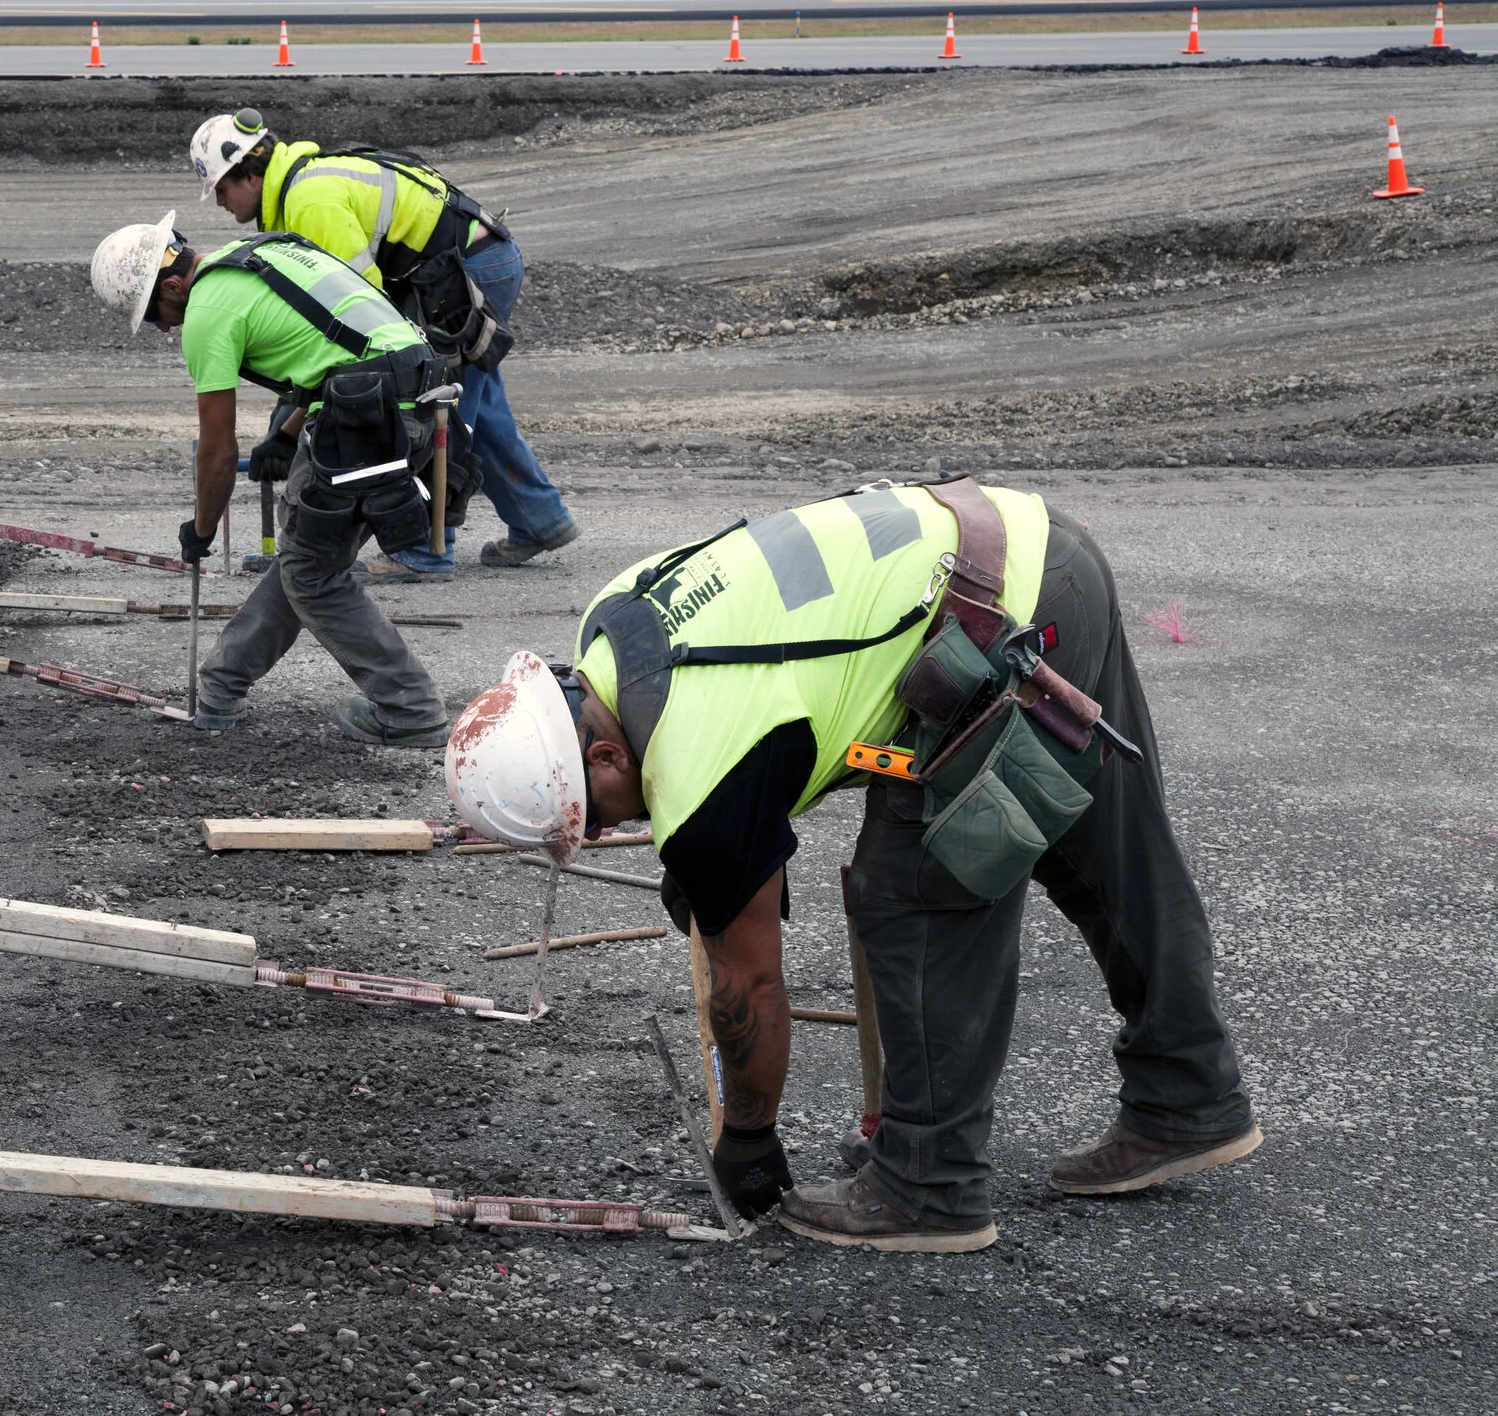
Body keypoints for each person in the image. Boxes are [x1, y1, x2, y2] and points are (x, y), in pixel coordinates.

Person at [443, 476, 1260, 1252]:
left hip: (991, 621)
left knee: (914, 890)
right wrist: (709, 860)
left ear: (607, 755)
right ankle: (1188, 1091)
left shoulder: (695, 760)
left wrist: (749, 1139)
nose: (606, 832)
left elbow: (753, 986)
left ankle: (929, 1184)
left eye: (594, 818)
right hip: (1034, 548)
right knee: (1108, 844)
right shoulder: (611, 623)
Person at [88, 209, 466, 749]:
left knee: (312, 575)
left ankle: (412, 711)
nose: (165, 328)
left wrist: (202, 527)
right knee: (306, 559)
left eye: (154, 316)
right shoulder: (260, 254)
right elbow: (336, 343)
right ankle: (221, 688)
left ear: (172, 286)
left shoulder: (207, 313)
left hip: (372, 420)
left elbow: (218, 452)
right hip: (417, 398)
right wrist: (287, 434)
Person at [190, 109, 577, 584]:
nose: (219, 202)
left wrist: (289, 427)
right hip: (470, 263)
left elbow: (365, 321)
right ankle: (540, 518)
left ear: (249, 173)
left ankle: (425, 550)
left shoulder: (311, 202)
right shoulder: (302, 187)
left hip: (463, 277)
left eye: (221, 188)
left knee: (430, 403)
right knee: (474, 404)